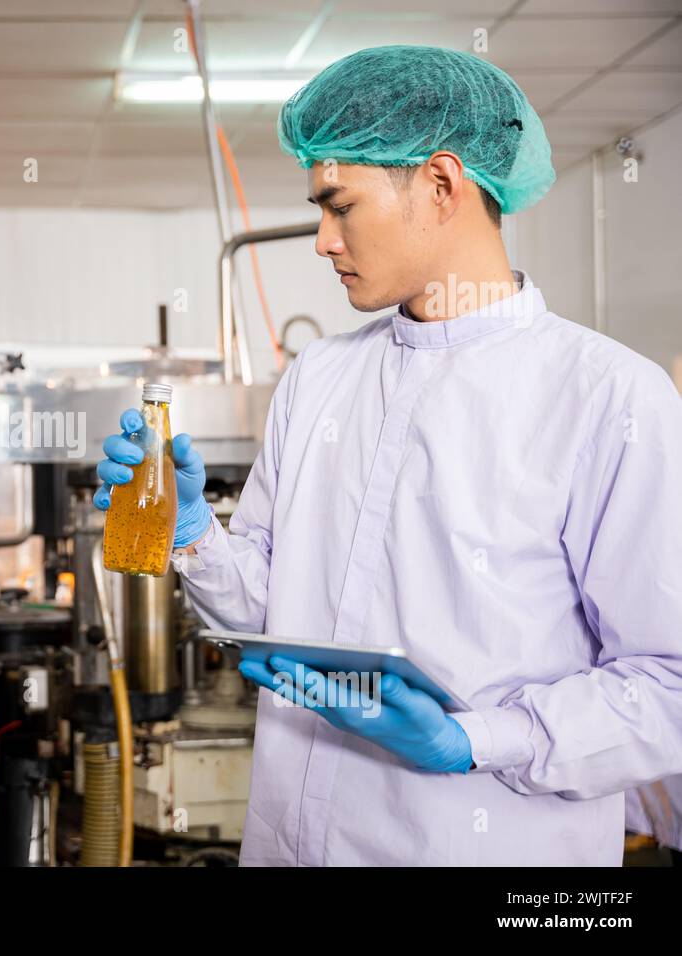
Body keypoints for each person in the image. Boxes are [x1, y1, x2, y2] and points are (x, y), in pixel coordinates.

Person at [95, 45, 682, 865]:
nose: (322, 241)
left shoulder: (608, 396)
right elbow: (273, 619)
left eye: (340, 206)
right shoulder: (322, 377)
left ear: (442, 185)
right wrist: (193, 535)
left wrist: (474, 738)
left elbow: (667, 684)